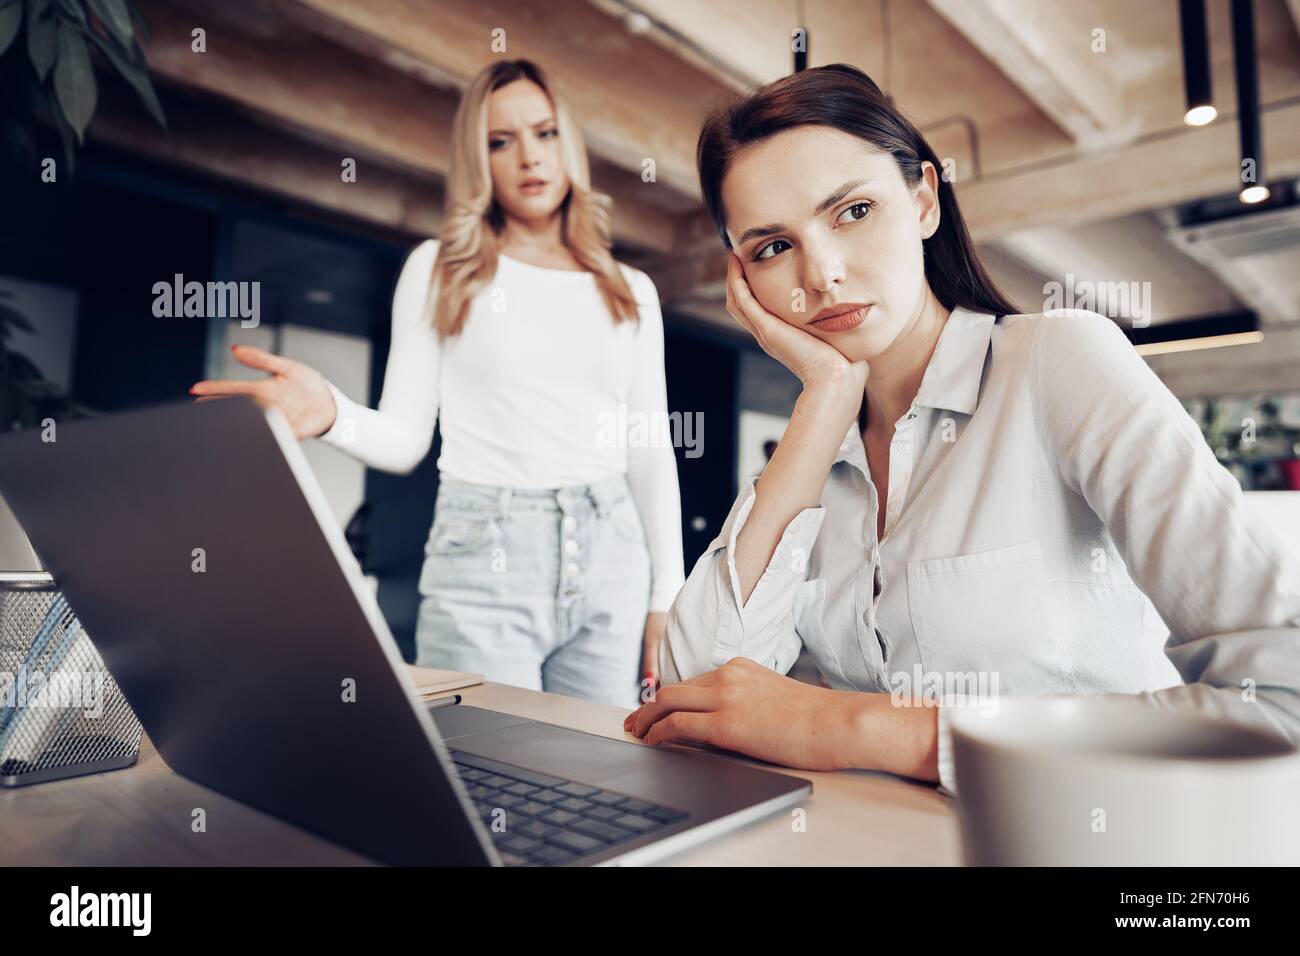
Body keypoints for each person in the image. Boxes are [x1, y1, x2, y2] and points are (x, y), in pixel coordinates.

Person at [624, 64, 1300, 795]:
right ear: (742, 281)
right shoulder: (820, 448)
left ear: (921, 200)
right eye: (771, 247)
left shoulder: (1057, 362)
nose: (821, 275)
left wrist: (857, 726)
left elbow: (1281, 703)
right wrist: (823, 399)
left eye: (852, 212)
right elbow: (695, 694)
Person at [191, 59, 684, 707]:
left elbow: (648, 450)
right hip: (484, 557)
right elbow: (405, 439)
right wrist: (331, 412)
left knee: (600, 776)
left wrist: (665, 596)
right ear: (476, 161)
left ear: (570, 142)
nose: (529, 158)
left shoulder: (631, 291)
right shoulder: (441, 270)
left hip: (614, 556)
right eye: (499, 142)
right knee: (484, 776)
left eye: (544, 133)